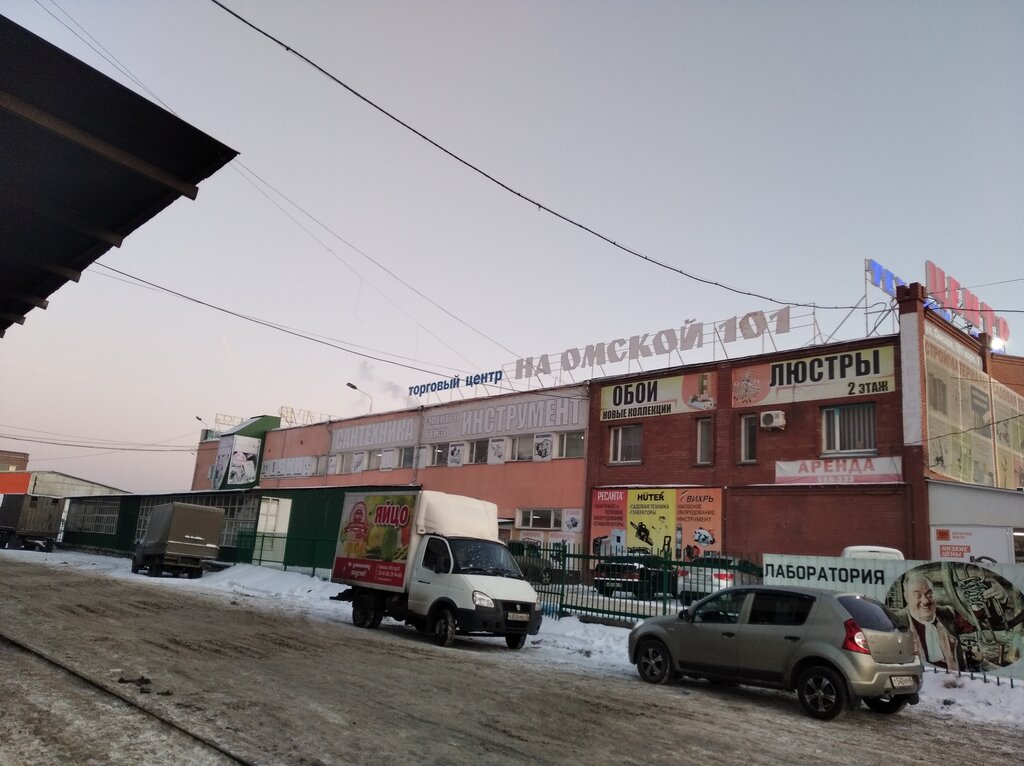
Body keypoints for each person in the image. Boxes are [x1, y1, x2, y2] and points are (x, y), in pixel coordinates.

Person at [900, 570, 1008, 671]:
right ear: (906, 597)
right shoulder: (897, 621)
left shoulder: (948, 614)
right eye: (917, 595)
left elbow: (979, 621)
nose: (925, 601)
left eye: (929, 594)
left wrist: (1000, 599)